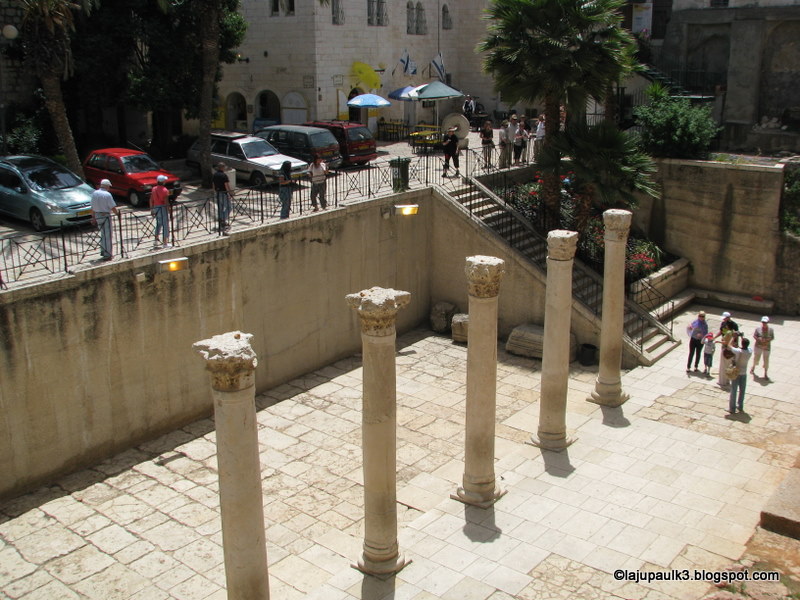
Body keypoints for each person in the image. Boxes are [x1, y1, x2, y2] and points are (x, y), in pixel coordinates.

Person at [91, 179, 119, 261]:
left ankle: (103, 251)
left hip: (97, 215)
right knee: (107, 235)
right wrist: (117, 214)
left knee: (103, 234)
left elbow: (92, 207)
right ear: (107, 186)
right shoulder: (107, 195)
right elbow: (112, 207)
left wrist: (93, 217)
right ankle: (108, 254)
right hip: (105, 215)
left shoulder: (94, 193)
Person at [728, 338, 752, 414]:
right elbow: (746, 346)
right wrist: (742, 337)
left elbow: (729, 345)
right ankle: (740, 406)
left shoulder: (738, 351)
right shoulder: (750, 351)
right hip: (744, 373)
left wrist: (733, 338)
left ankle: (732, 408)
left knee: (734, 390)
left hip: (736, 373)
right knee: (742, 391)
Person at [212, 162, 233, 235]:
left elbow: (213, 185)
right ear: (222, 167)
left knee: (220, 208)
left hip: (217, 193)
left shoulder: (215, 175)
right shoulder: (224, 175)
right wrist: (230, 193)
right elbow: (226, 185)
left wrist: (215, 192)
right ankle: (223, 219)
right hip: (224, 193)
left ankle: (221, 220)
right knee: (229, 207)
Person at [150, 174, 171, 247]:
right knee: (165, 224)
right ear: (163, 182)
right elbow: (166, 202)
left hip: (156, 207)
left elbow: (151, 199)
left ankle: (156, 240)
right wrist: (169, 210)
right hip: (162, 208)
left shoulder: (154, 189)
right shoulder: (165, 190)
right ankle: (165, 242)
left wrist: (152, 209)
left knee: (158, 224)